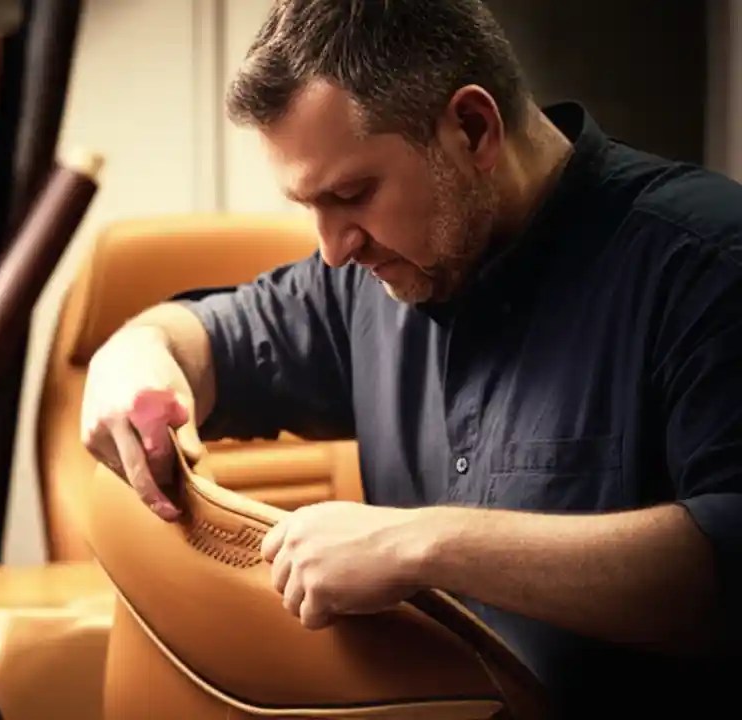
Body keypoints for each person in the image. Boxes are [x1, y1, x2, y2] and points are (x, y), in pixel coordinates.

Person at [80, 0, 742, 714]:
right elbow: (198, 337)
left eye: (352, 194)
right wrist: (132, 359)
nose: (333, 248)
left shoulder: (707, 265)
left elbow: (730, 568)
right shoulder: (368, 285)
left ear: (473, 128)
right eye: (311, 206)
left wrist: (428, 545)